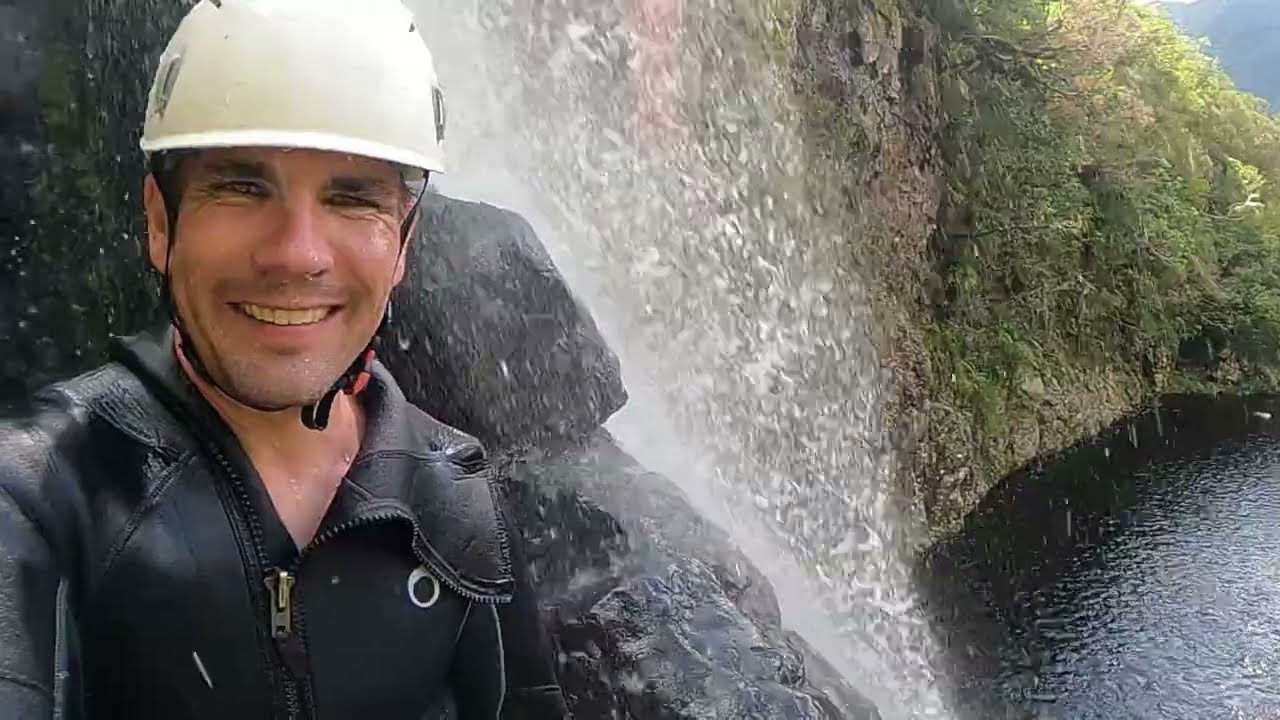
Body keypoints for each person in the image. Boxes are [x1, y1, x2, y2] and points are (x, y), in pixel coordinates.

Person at [0, 0, 570, 717]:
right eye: (242, 187)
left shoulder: (461, 510)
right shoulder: (34, 495)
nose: (297, 253)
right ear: (157, 221)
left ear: (404, 244)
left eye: (352, 197)